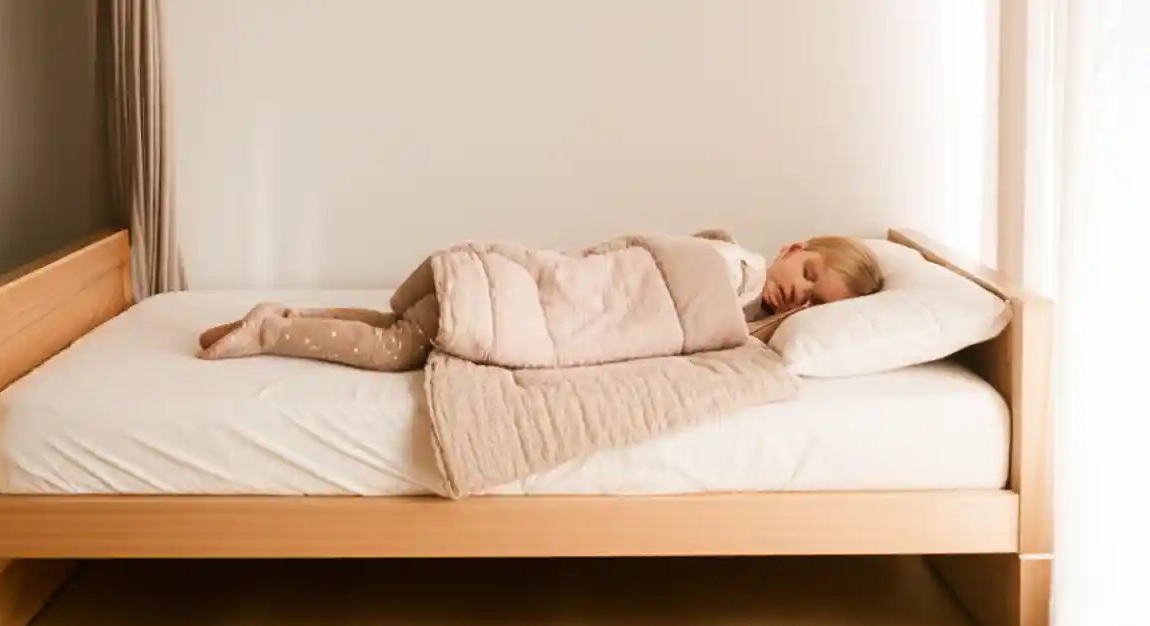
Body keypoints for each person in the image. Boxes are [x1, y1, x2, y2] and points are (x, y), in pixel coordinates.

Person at [196, 231, 884, 370]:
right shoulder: (735, 274)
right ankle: (274, 335)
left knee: (394, 326)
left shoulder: (736, 273)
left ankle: (291, 317)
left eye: (814, 303)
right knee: (396, 349)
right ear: (792, 249)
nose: (799, 290)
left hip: (515, 283)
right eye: (812, 271)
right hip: (542, 298)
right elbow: (648, 285)